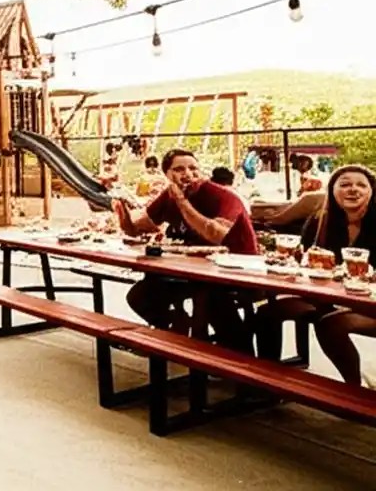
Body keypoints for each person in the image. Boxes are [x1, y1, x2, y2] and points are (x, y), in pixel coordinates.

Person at [113, 149, 258, 351]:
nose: (188, 174)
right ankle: (176, 333)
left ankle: (242, 363)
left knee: (208, 300)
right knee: (141, 296)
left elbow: (215, 234)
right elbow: (138, 228)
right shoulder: (168, 197)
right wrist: (123, 216)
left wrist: (182, 202)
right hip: (194, 271)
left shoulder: (223, 196)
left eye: (193, 168)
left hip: (239, 272)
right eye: (179, 169)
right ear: (167, 175)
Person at [275, 166, 376, 383]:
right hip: (332, 295)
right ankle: (265, 381)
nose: (353, 190)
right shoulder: (319, 221)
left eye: (361, 185)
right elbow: (305, 261)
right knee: (270, 312)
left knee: (331, 324)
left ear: (372, 191)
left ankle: (353, 390)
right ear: (332, 190)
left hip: (370, 303)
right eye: (345, 184)